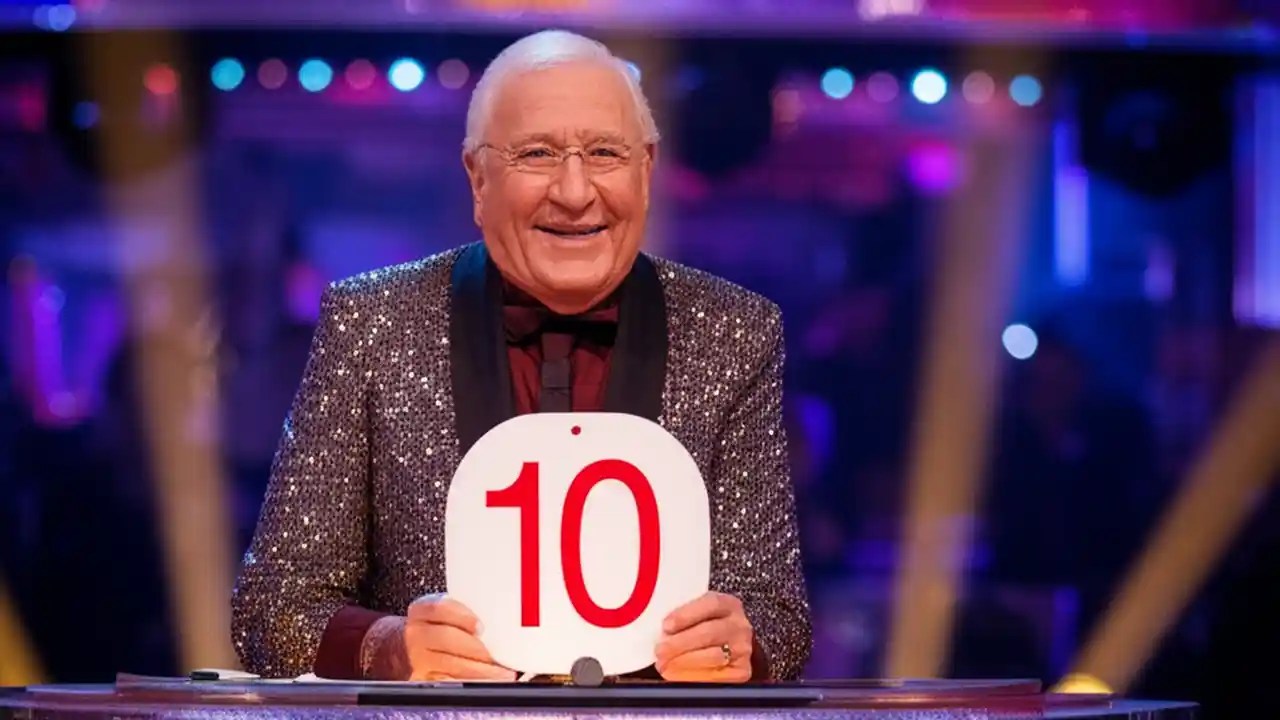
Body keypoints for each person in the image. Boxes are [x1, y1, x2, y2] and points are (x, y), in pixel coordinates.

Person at [231, 29, 811, 684]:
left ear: (646, 171)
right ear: (478, 177)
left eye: (604, 154)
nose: (574, 191)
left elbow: (779, 618)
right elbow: (272, 609)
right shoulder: (373, 325)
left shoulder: (734, 333)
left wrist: (739, 647)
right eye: (537, 154)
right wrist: (385, 648)